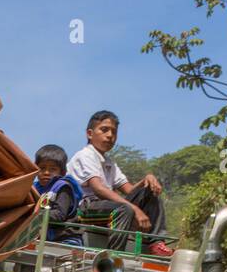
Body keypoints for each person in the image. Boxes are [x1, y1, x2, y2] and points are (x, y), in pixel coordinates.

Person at [67, 110, 174, 256]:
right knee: (124, 209)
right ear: (90, 134)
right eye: (104, 130)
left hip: (107, 207)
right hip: (85, 209)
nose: (110, 135)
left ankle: (155, 242)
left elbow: (129, 191)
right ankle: (113, 257)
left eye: (114, 132)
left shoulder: (109, 162)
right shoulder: (86, 155)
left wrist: (146, 180)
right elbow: (98, 189)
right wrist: (136, 210)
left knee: (150, 191)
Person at [33, 144, 84, 245]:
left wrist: (34, 214)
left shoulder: (62, 187)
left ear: (62, 172)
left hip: (65, 238)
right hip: (43, 237)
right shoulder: (34, 188)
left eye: (52, 169)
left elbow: (59, 214)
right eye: (42, 168)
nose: (46, 172)